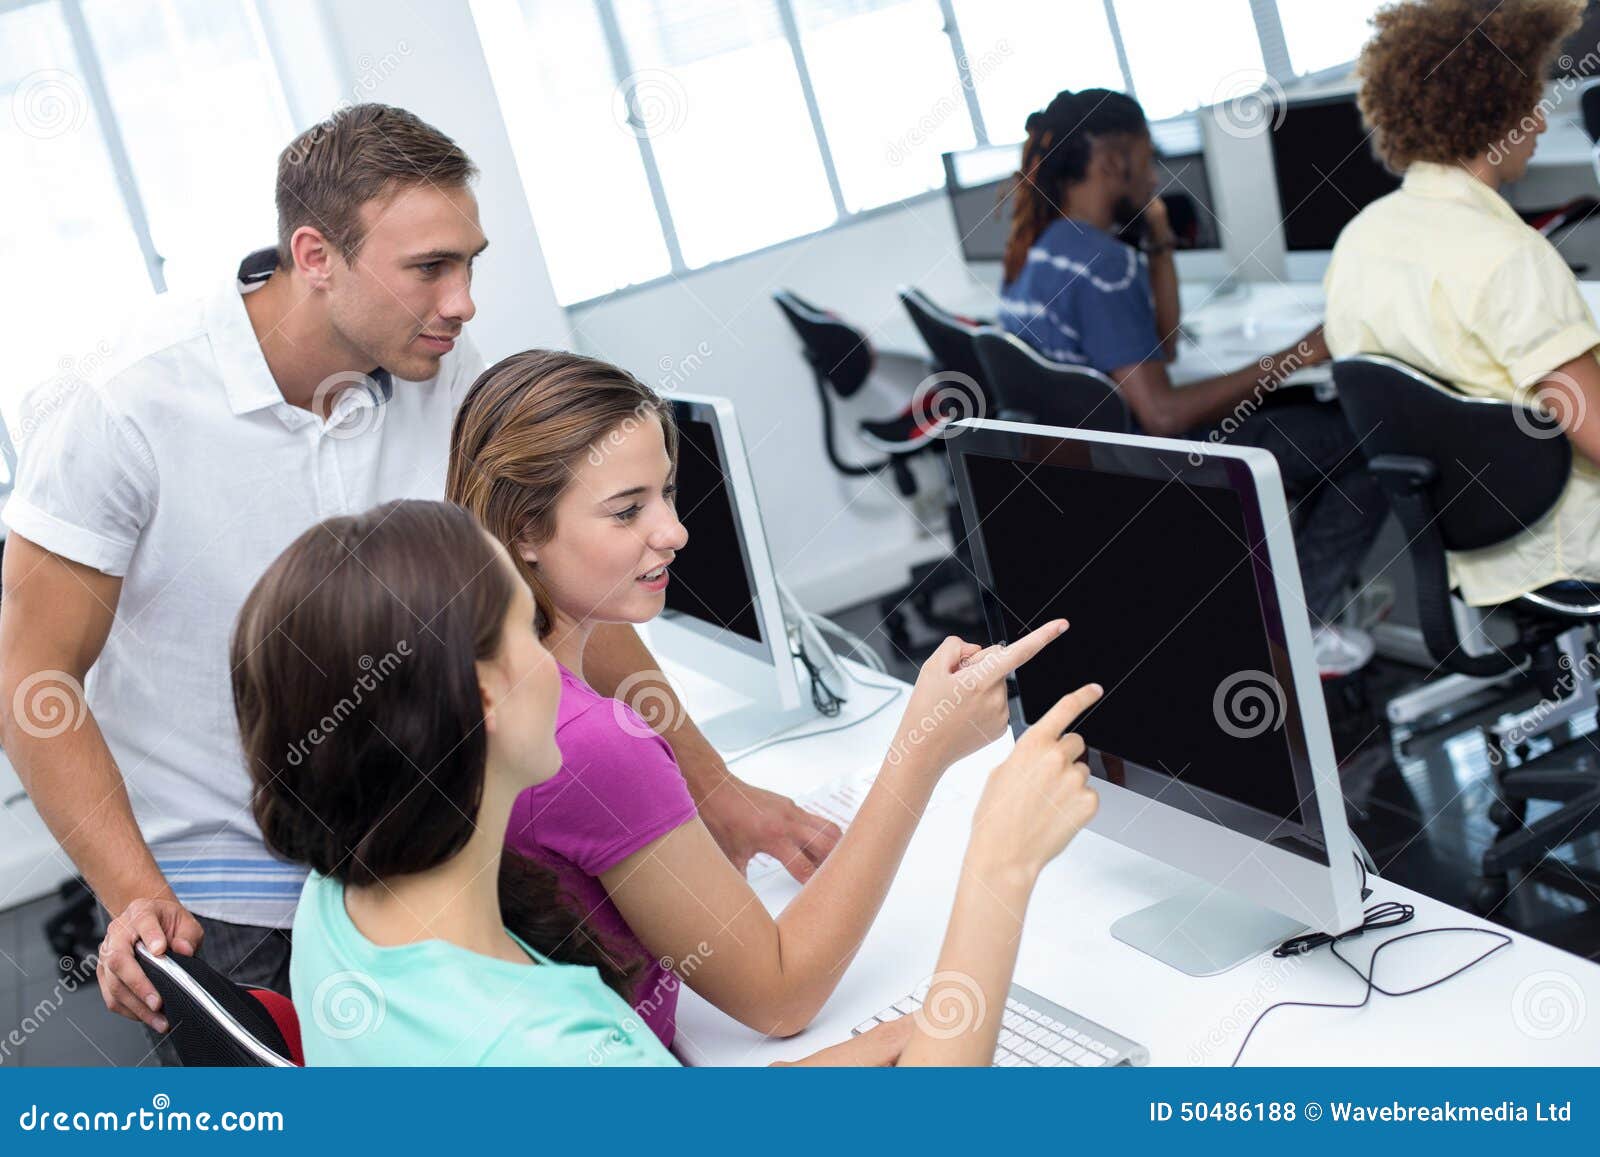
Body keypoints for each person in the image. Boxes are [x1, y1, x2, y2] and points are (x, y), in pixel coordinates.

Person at [0, 103, 833, 1056]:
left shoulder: (439, 364)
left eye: (471, 261)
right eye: (430, 268)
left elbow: (551, 602)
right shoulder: (124, 403)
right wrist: (133, 891)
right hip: (234, 889)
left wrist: (711, 783)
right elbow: (33, 673)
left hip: (423, 858)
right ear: (314, 256)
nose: (464, 300)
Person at [239, 499, 1104, 1065]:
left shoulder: (341, 901)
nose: (557, 666)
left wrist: (878, 1049)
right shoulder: (543, 1051)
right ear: (483, 695)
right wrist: (1000, 865)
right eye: (523, 630)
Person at [446, 349, 1068, 1047]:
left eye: (667, 492)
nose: (674, 531)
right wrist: (921, 753)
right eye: (627, 512)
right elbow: (780, 996)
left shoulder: (466, 665)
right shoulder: (590, 740)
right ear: (524, 530)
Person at [997, 88, 1387, 676]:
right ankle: (1293, 628)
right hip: (1150, 466)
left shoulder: (1044, 251)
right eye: (1148, 157)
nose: (1155, 174)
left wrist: (1156, 242)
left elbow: (1163, 348)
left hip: (1088, 475)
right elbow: (1163, 415)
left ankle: (1274, 608)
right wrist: (1299, 354)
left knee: (1312, 428)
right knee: (1367, 435)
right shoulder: (1102, 263)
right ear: (1112, 161)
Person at [1325, 0, 1600, 606]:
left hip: (1472, 547)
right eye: (1532, 101)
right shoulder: (1509, 256)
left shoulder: (1360, 239)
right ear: (1498, 112)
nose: (1542, 121)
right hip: (1567, 547)